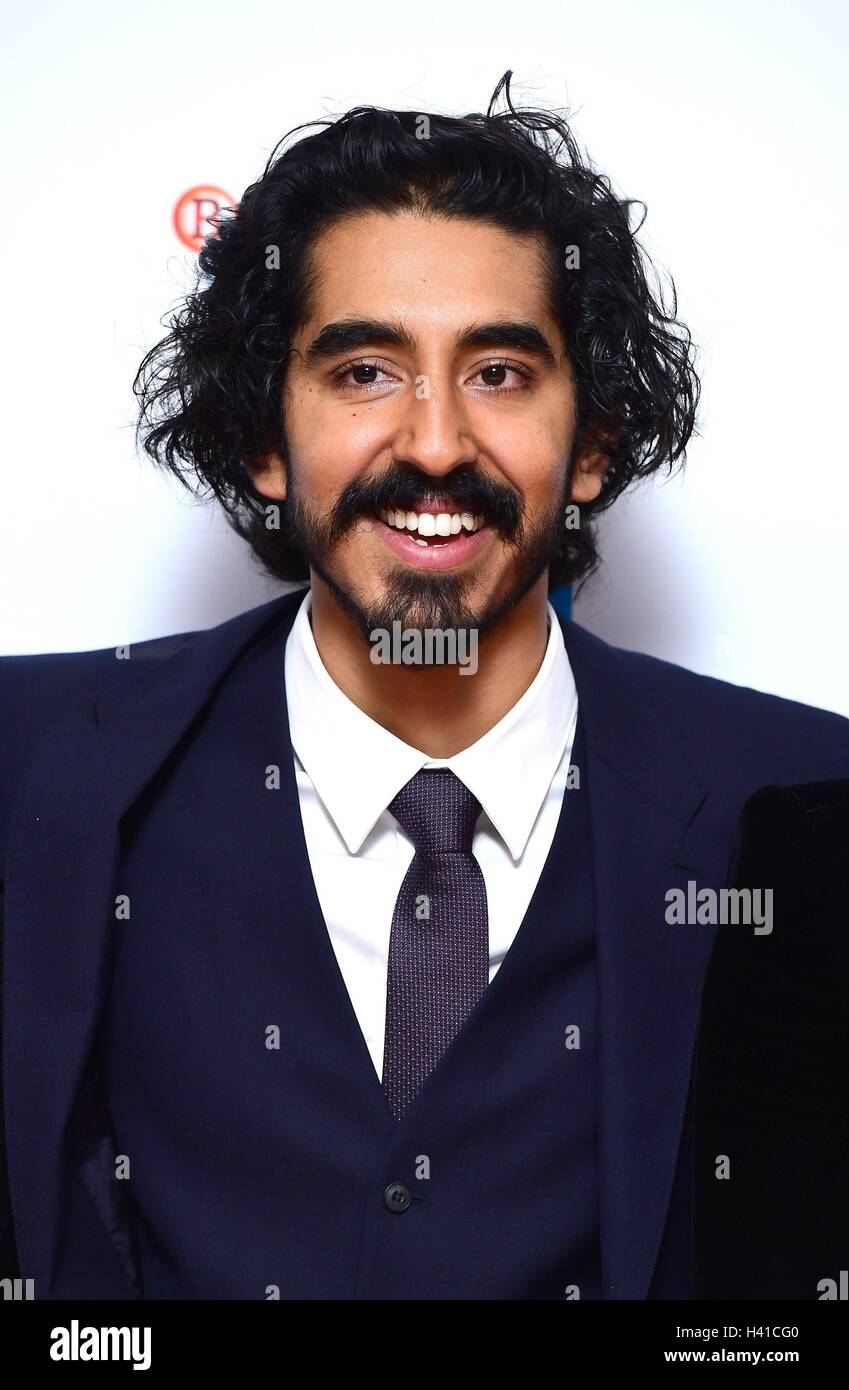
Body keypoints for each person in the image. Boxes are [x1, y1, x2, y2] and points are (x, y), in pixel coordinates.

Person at [1, 72, 847, 1301]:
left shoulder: (811, 807)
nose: (438, 442)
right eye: (363, 372)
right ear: (261, 439)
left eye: (500, 371)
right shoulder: (30, 770)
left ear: (595, 443)